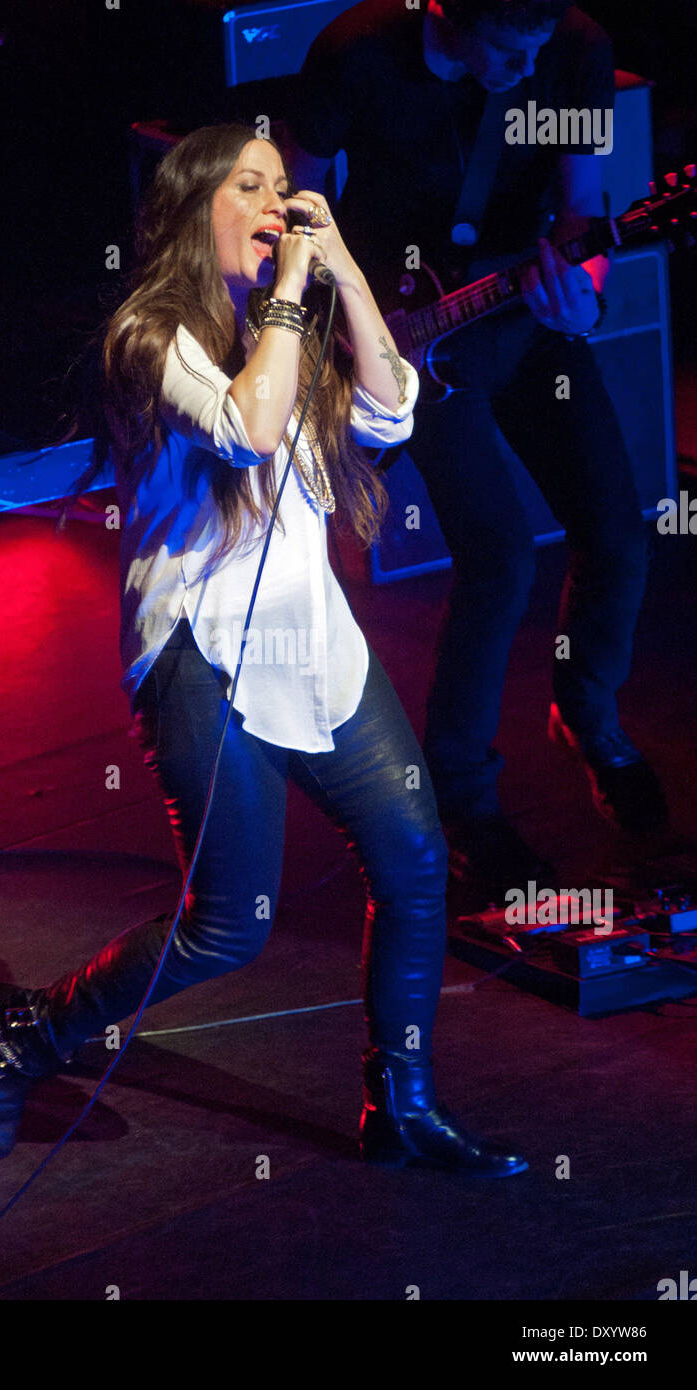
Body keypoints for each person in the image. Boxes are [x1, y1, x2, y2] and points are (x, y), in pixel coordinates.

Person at [0, 123, 527, 1176]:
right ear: (193, 208)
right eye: (253, 187)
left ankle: (398, 1104)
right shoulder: (151, 335)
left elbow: (393, 409)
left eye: (287, 188)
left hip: (313, 642)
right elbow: (247, 430)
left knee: (412, 864)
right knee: (230, 925)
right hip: (200, 656)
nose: (279, 206)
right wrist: (285, 300)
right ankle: (32, 1031)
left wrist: (346, 272)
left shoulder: (291, 322)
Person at [286, 0, 668, 898]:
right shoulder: (357, 52)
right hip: (397, 338)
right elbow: (291, 205)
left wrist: (587, 292)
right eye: (503, 50)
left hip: (520, 314)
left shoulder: (573, 48)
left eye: (534, 52)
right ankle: (462, 803)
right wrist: (333, 331)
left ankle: (589, 716)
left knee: (615, 530)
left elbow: (582, 211)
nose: (521, 70)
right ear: (443, 12)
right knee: (497, 558)